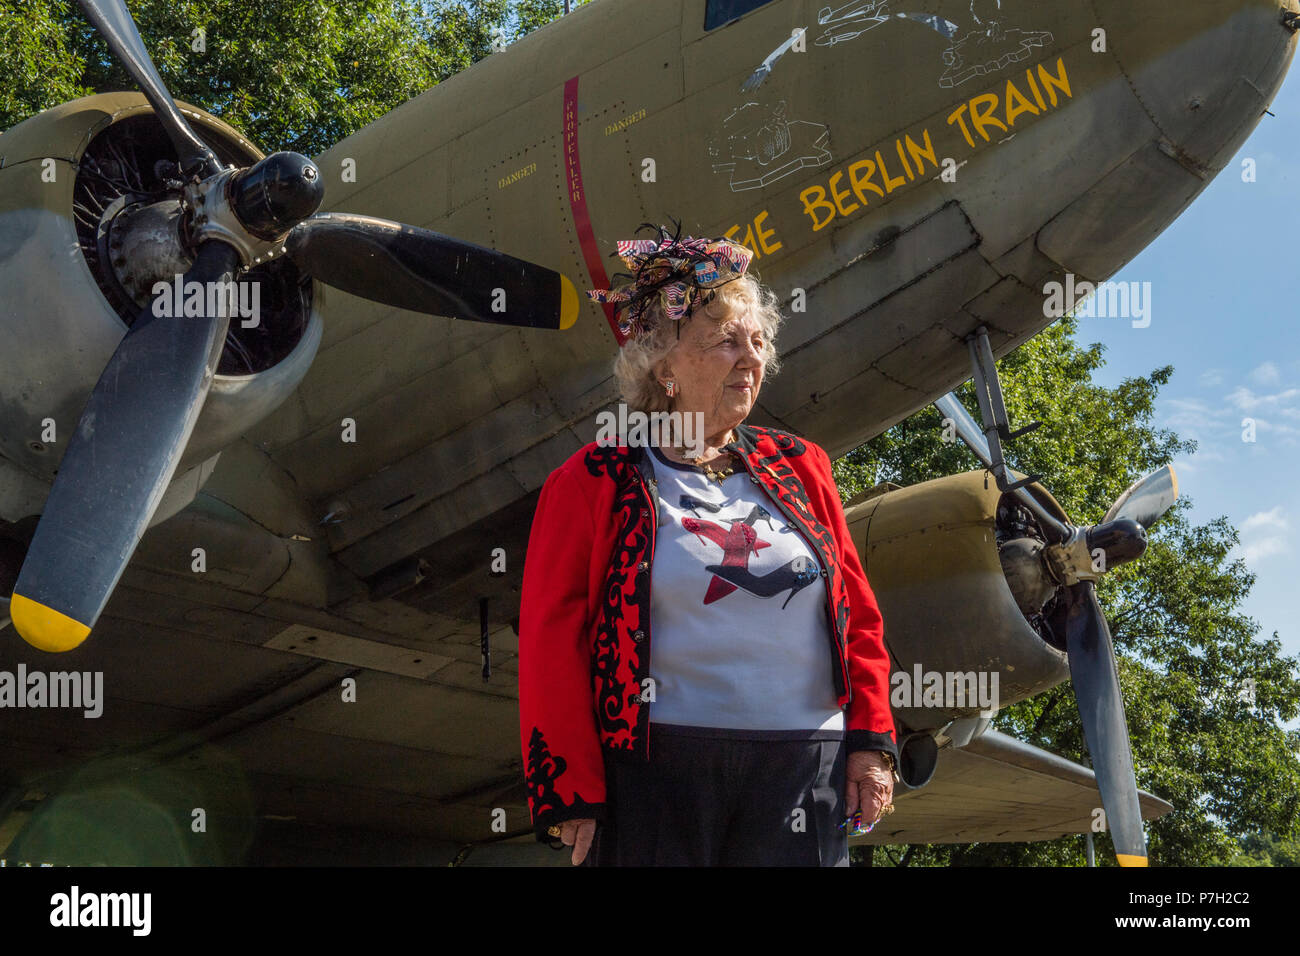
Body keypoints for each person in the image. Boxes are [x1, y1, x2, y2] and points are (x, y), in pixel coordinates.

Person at [517, 222, 897, 866]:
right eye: (725, 342)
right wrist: (571, 790)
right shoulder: (590, 480)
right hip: (656, 771)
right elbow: (552, 643)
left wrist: (871, 741)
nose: (752, 359)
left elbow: (858, 614)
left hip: (806, 767)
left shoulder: (804, 465)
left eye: (758, 341)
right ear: (663, 365)